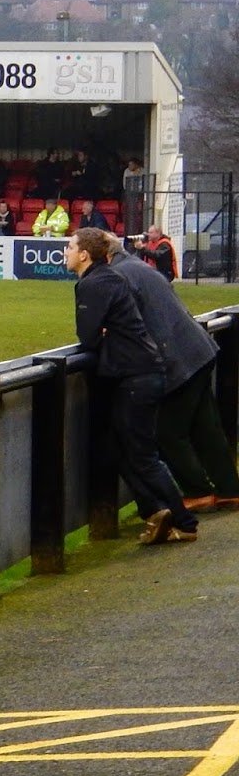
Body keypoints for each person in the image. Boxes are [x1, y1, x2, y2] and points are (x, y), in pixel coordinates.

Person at [67, 228, 199, 543]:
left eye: (70, 246)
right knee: (122, 448)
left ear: (85, 254)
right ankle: (157, 513)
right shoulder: (107, 278)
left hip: (136, 376)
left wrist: (101, 337)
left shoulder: (93, 284)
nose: (66, 251)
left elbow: (86, 336)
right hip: (140, 372)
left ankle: (185, 522)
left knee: (142, 454)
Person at [106, 233, 239, 507]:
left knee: (167, 431)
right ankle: (229, 489)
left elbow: (132, 320)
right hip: (199, 349)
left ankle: (197, 490)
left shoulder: (120, 275)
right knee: (206, 428)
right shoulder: (138, 266)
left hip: (177, 358)